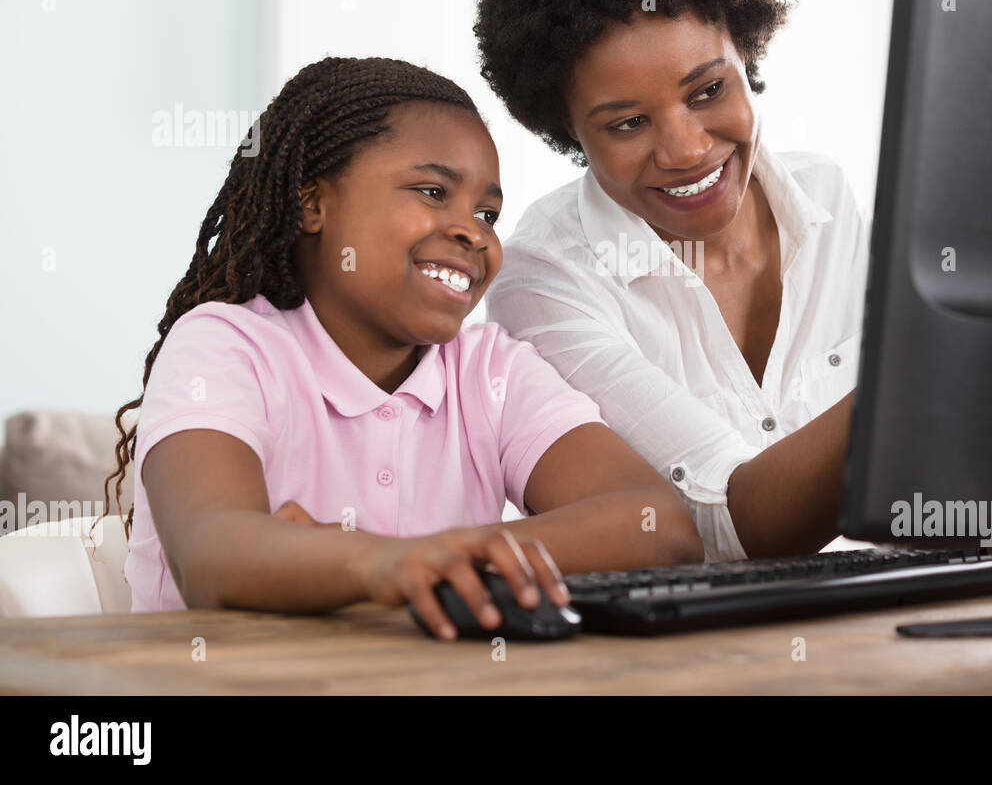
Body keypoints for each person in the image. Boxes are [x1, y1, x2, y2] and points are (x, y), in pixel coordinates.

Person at [475, 0, 992, 579]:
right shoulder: (545, 277)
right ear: (566, 128)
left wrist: (970, 513)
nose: (688, 149)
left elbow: (882, 485)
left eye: (708, 91)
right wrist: (932, 361)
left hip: (857, 639)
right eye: (628, 123)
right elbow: (732, 527)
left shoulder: (824, 199)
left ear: (746, 58)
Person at [97, 56, 704, 640]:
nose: (474, 230)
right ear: (313, 203)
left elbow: (660, 524)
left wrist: (458, 559)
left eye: (488, 212)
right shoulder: (227, 346)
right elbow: (212, 554)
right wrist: (389, 563)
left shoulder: (488, 371)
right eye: (433, 192)